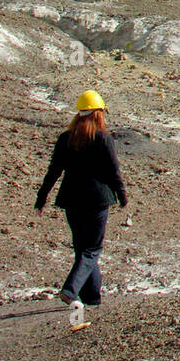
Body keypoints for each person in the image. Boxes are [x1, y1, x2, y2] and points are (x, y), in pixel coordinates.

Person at [35, 91, 128, 311]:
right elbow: (114, 170)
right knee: (92, 250)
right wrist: (122, 195)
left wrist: (41, 198)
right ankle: (70, 290)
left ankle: (92, 299)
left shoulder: (66, 138)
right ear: (98, 113)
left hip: (71, 201)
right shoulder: (103, 138)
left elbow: (53, 172)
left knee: (83, 250)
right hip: (97, 201)